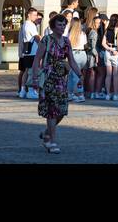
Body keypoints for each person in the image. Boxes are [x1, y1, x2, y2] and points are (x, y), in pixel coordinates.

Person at [30, 13, 83, 154]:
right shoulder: (46, 40)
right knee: (52, 112)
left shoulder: (66, 41)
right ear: (53, 26)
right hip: (48, 79)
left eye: (64, 24)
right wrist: (35, 79)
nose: (62, 27)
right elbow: (37, 60)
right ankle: (52, 142)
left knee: (62, 111)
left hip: (61, 79)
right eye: (59, 24)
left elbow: (71, 60)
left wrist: (79, 74)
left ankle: (47, 132)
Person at [16, 7, 41, 99]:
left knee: (26, 71)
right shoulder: (30, 25)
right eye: (34, 15)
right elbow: (36, 37)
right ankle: (31, 90)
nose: (36, 17)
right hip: (32, 52)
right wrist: (43, 45)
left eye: (36, 15)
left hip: (28, 52)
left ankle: (23, 90)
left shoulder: (25, 24)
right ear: (28, 15)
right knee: (32, 71)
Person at [67, 11, 89, 103]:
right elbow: (85, 45)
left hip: (74, 54)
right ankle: (71, 93)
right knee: (76, 74)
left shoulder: (69, 34)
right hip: (82, 54)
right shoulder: (83, 34)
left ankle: (78, 93)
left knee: (74, 75)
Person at [103, 15, 118, 100]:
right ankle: (115, 94)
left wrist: (109, 49)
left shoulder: (107, 29)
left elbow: (103, 43)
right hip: (115, 52)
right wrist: (117, 51)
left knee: (108, 75)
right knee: (115, 75)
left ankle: (108, 94)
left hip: (107, 52)